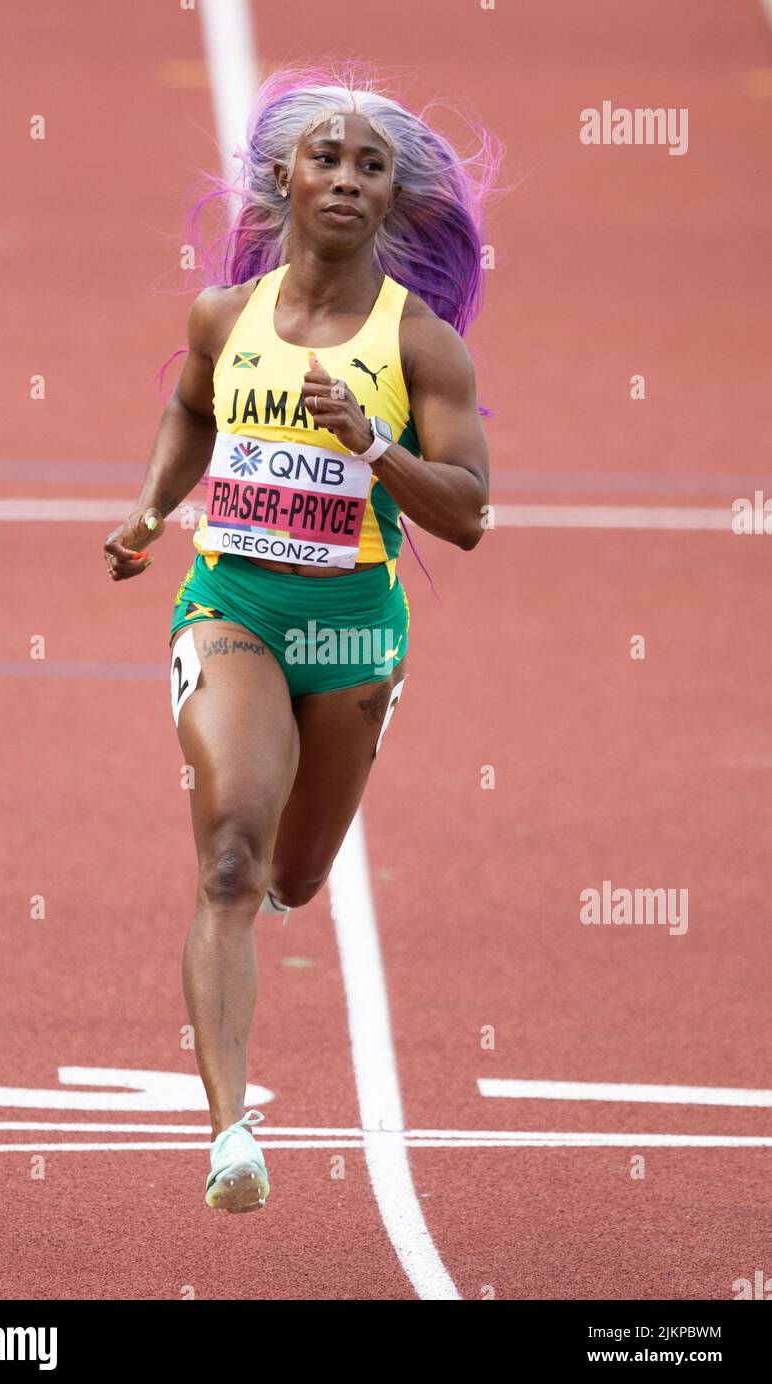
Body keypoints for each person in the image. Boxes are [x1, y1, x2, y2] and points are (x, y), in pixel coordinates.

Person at [103, 67, 498, 1213]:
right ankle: (230, 1131)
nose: (345, 177)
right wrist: (150, 509)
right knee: (231, 855)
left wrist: (373, 444)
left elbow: (468, 514)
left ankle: (310, 828)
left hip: (350, 630)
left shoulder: (419, 345)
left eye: (370, 166)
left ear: (391, 198)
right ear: (283, 176)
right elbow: (191, 406)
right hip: (231, 606)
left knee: (295, 874)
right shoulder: (222, 317)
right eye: (326, 157)